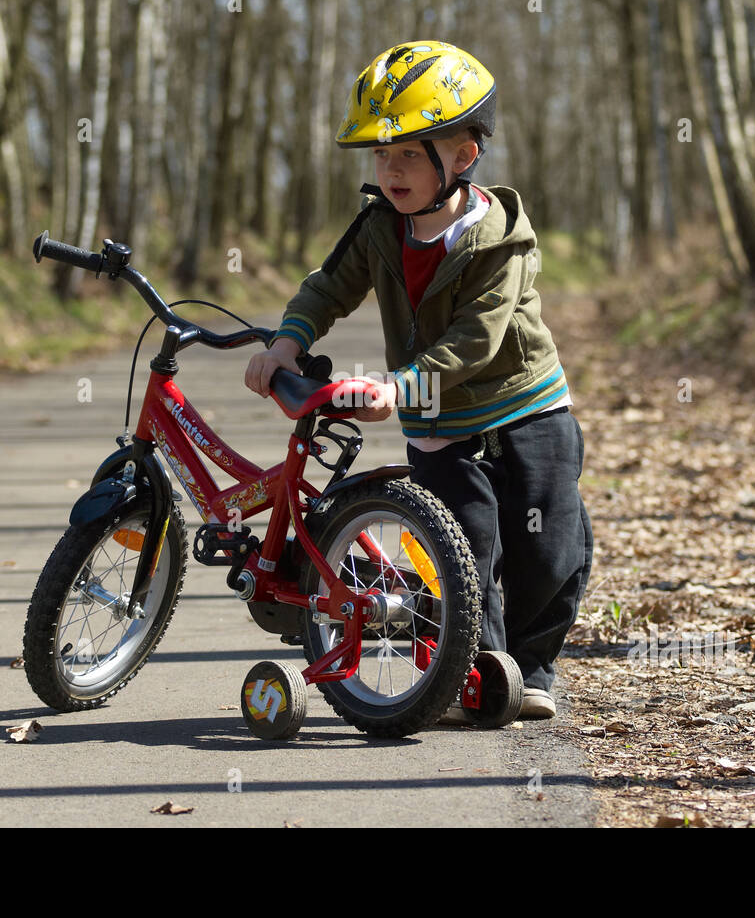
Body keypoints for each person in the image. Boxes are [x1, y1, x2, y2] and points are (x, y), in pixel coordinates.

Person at [244, 41, 593, 721]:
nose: (391, 169)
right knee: (460, 548)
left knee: (549, 545)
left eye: (409, 152)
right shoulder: (380, 228)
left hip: (525, 406)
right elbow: (327, 288)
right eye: (382, 154)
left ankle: (535, 665)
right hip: (440, 422)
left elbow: (476, 340)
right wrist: (287, 343)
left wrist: (395, 388)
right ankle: (484, 673)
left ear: (462, 155)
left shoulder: (501, 242)